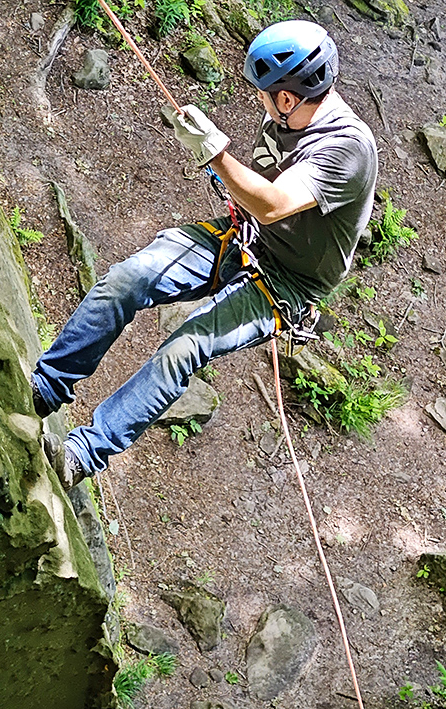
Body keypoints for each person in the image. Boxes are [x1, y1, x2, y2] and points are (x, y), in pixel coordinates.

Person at [31, 20, 378, 489]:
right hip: (246, 236)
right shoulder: (285, 117)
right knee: (129, 278)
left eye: (264, 93)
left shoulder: (348, 148)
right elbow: (260, 195)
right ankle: (46, 386)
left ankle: (81, 455)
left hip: (288, 282)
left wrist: (216, 154)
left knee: (184, 349)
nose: (259, 100)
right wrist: (221, 164)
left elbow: (274, 204)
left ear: (287, 98)